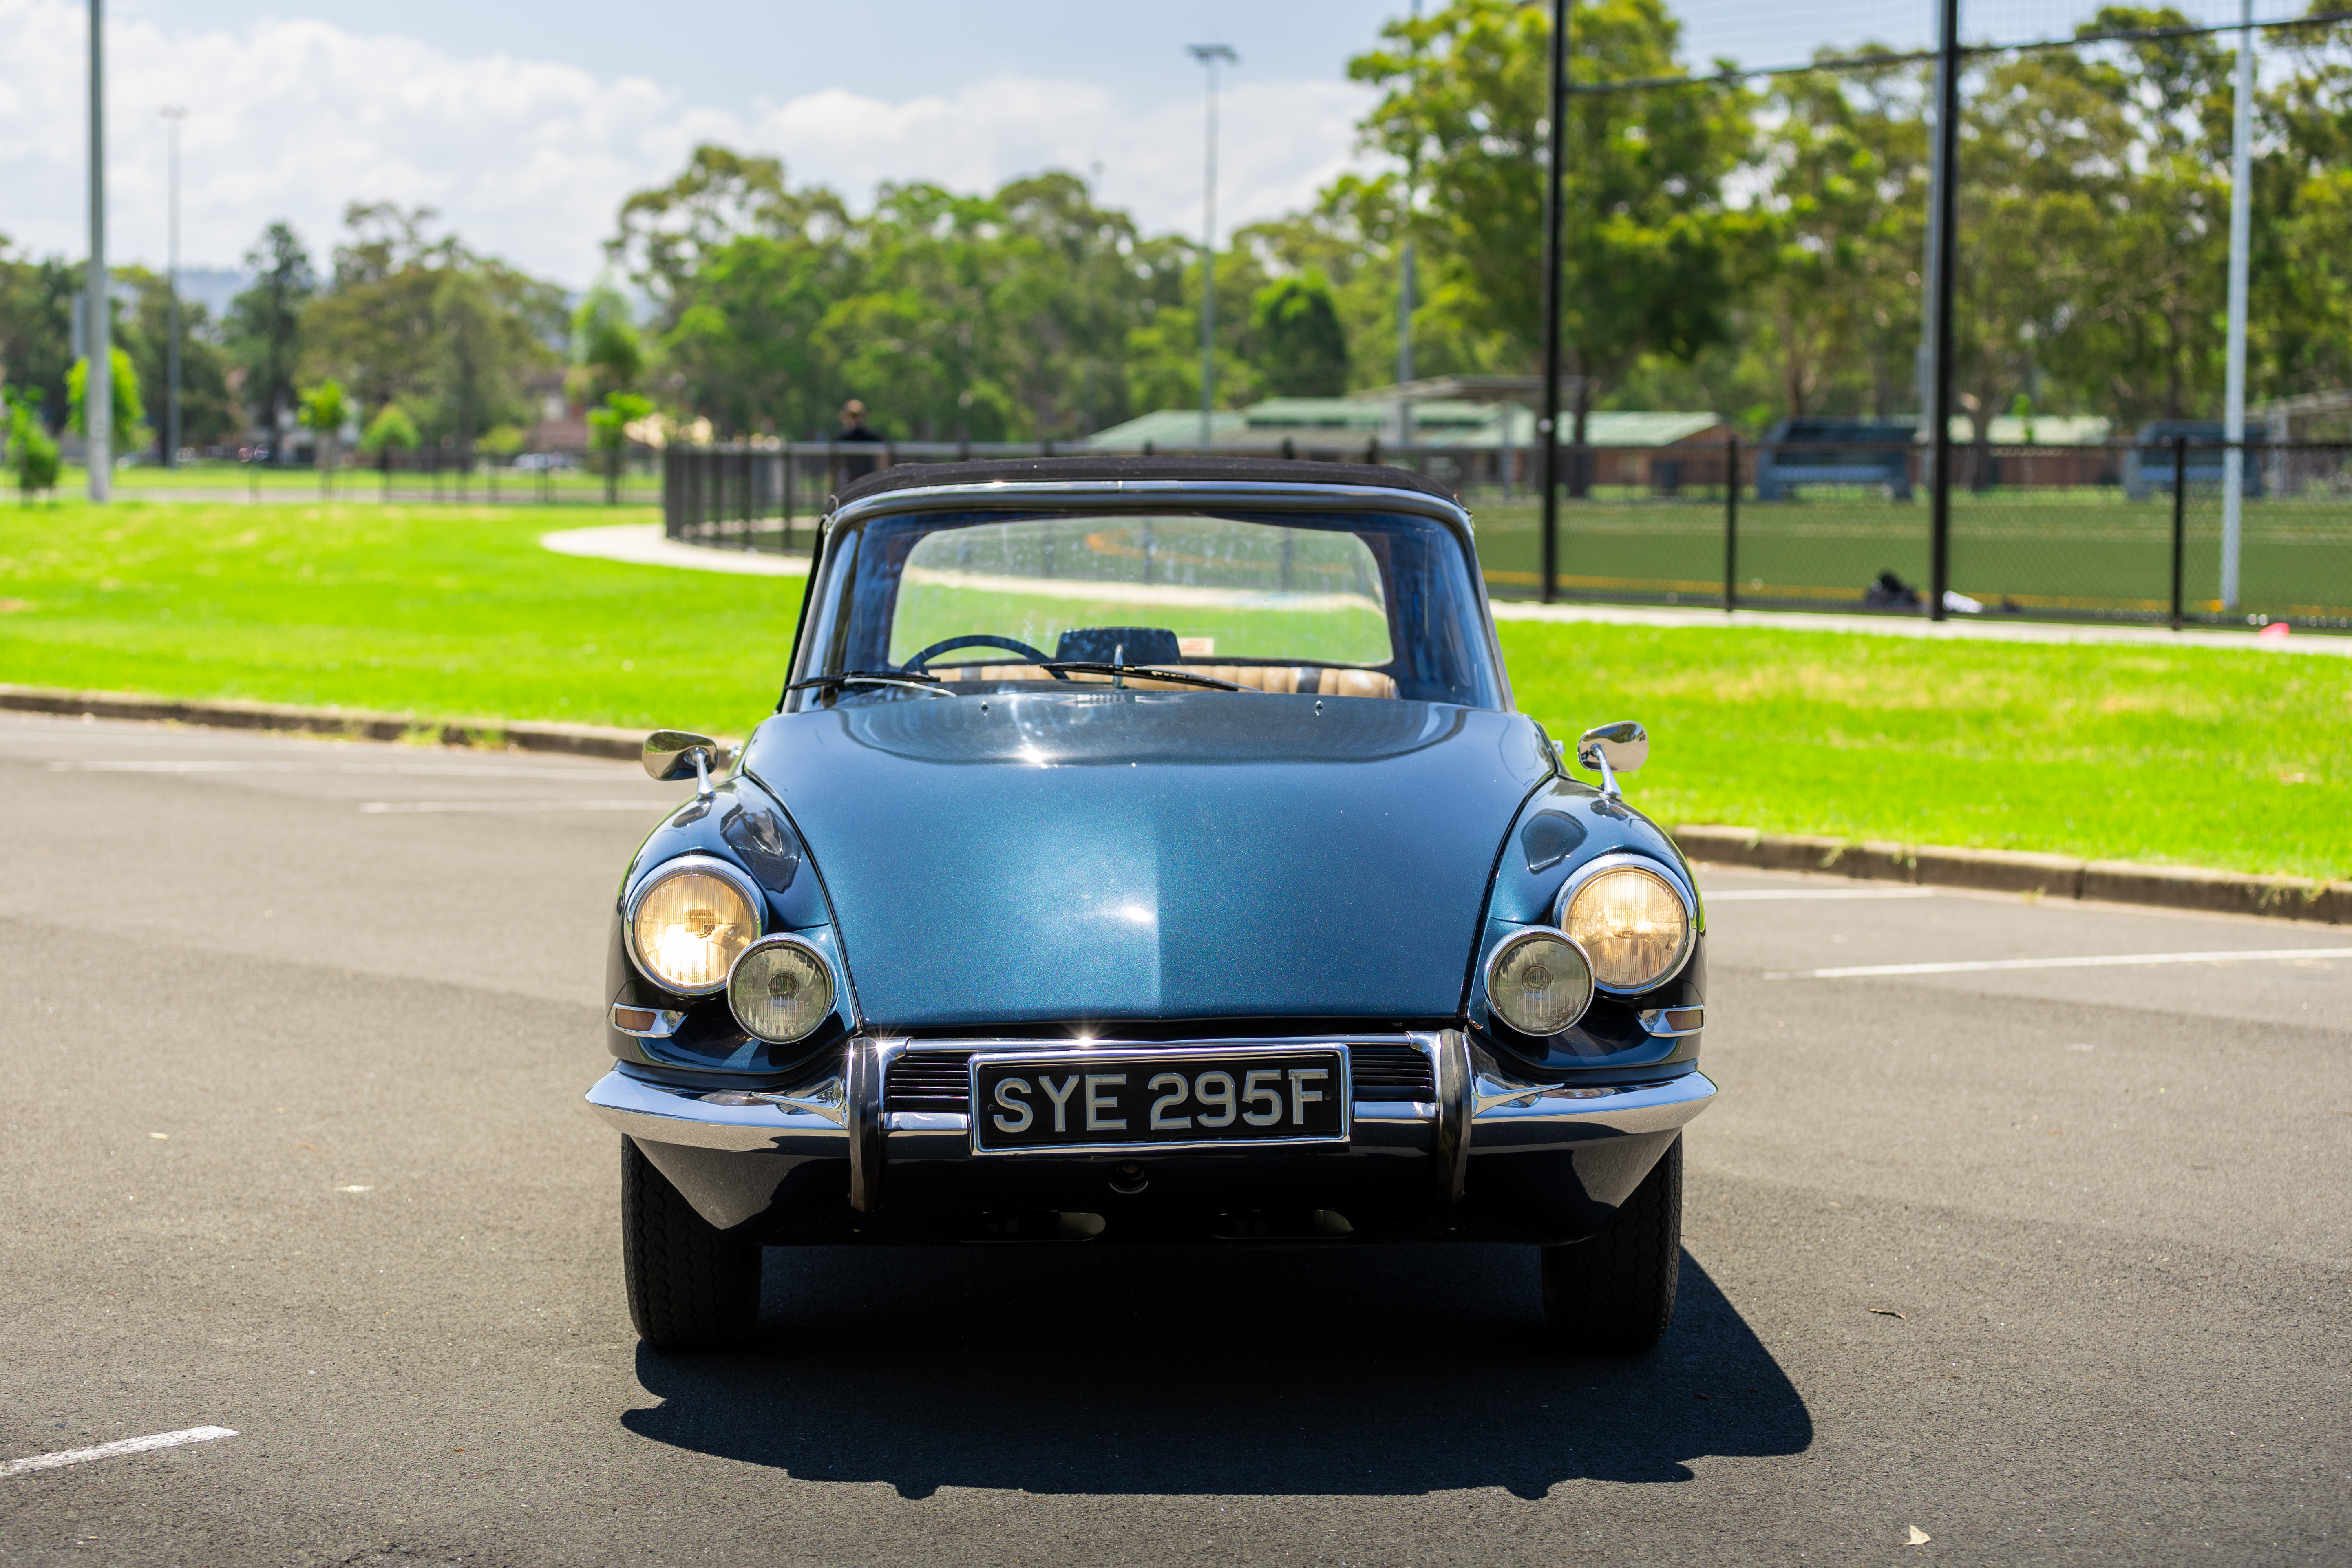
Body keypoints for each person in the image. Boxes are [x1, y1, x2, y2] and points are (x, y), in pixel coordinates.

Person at [835, 399, 885, 486]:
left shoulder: (874, 438)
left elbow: (883, 462)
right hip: (847, 485)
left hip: (869, 481)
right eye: (853, 415)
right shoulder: (841, 438)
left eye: (858, 415)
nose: (855, 419)